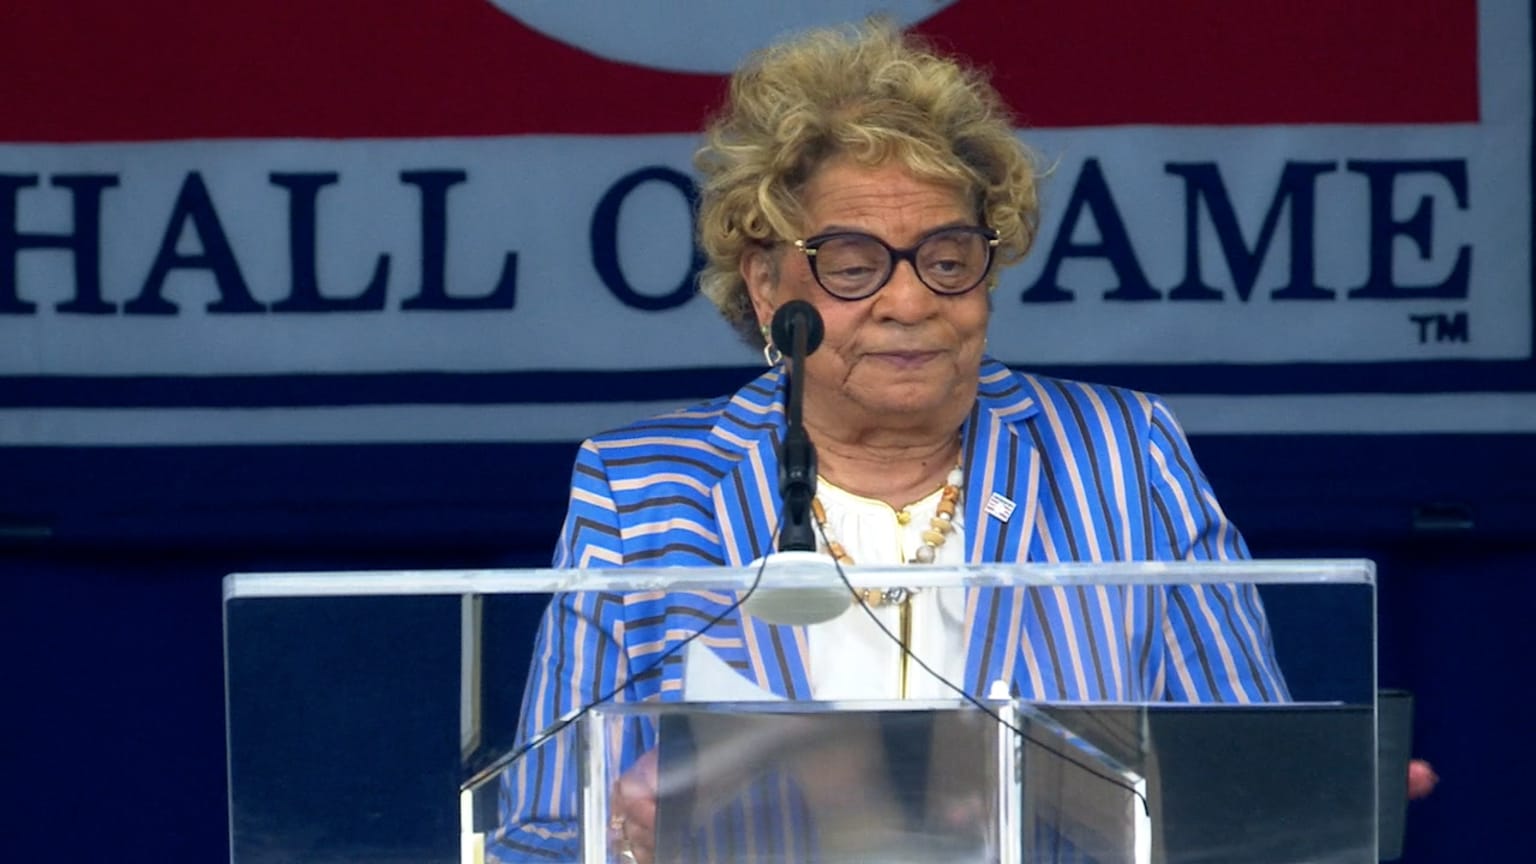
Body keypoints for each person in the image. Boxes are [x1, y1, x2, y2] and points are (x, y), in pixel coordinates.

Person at [490, 20, 1309, 864]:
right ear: (768, 287)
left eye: (948, 259)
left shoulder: (1122, 454)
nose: (911, 302)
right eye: (853, 264)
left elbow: (1248, 803)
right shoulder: (642, 489)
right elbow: (541, 835)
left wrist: (1297, 801)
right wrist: (631, 849)